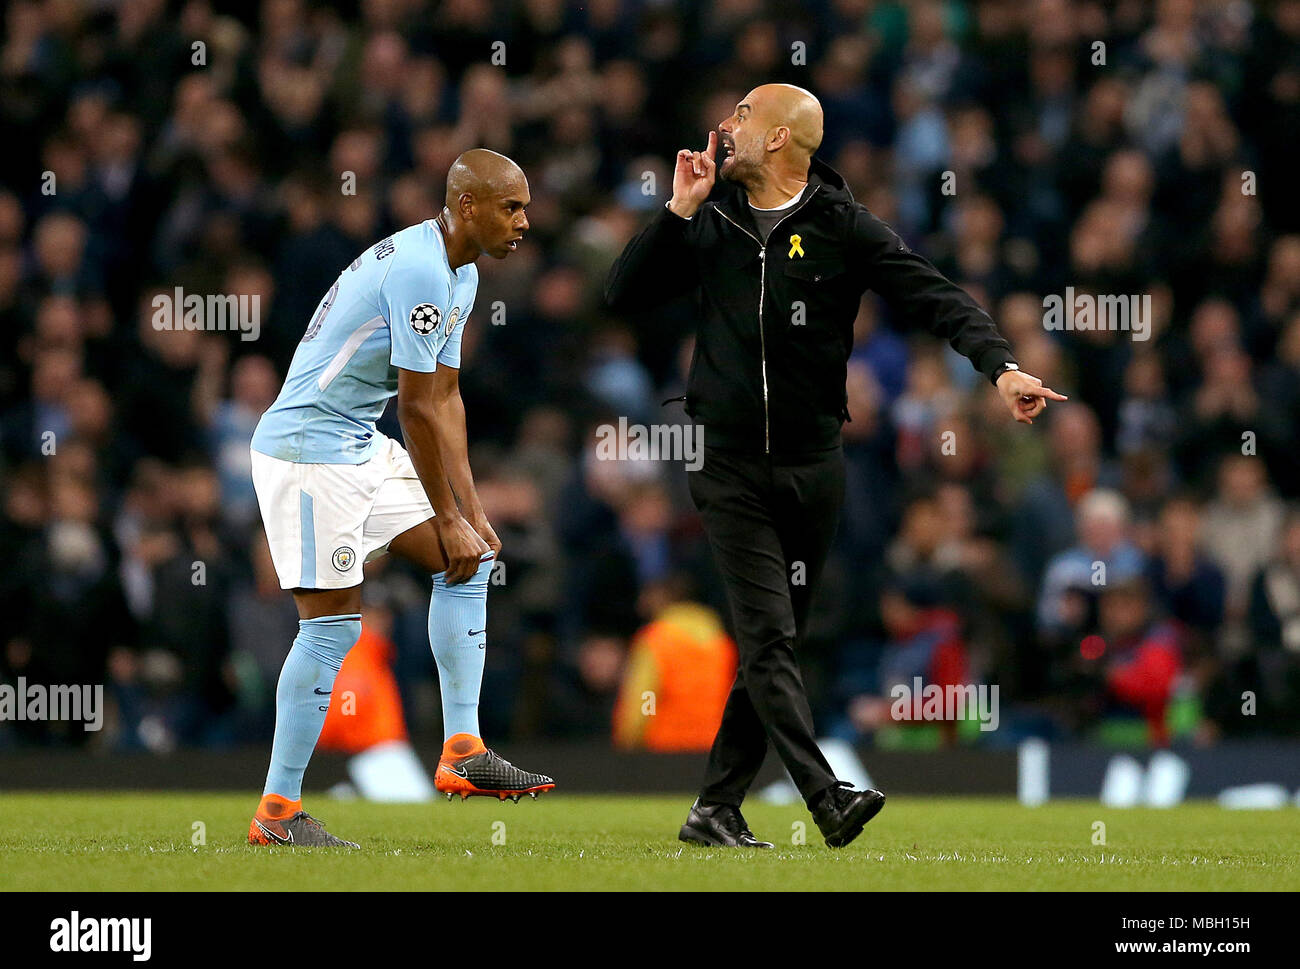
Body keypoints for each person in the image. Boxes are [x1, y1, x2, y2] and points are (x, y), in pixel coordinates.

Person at [605, 84, 1066, 848]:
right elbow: (622, 296)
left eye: (744, 116)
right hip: (724, 460)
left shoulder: (840, 226)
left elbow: (937, 296)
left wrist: (1002, 367)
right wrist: (678, 208)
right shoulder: (710, 214)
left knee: (775, 641)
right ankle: (825, 796)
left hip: (813, 461)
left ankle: (715, 807)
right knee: (768, 634)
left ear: (781, 138)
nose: (726, 125)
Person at [246, 149, 554, 848]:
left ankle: (462, 750)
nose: (525, 221)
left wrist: (471, 512)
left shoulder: (461, 271)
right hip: (308, 447)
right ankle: (278, 813)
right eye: (512, 206)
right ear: (467, 205)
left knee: (466, 559)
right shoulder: (419, 268)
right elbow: (415, 409)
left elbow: (447, 396)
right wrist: (446, 511)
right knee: (332, 629)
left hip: (354, 438)